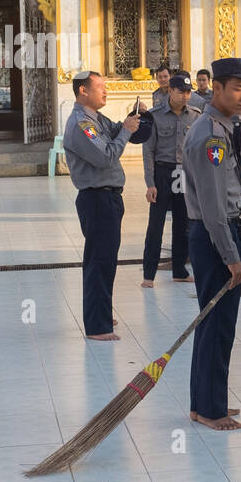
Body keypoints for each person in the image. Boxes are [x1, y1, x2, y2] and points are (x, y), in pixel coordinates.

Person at [183, 58, 241, 431]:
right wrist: (232, 257)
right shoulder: (211, 135)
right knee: (218, 324)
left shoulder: (221, 127)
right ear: (218, 88)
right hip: (216, 236)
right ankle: (211, 409)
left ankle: (206, 401)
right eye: (238, 88)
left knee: (212, 323)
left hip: (217, 231)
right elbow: (212, 208)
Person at [64, 71, 143, 340]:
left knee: (107, 261)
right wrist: (126, 133)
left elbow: (116, 130)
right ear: (83, 91)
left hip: (108, 197)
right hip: (96, 198)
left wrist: (134, 118)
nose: (106, 91)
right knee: (99, 261)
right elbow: (106, 155)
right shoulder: (81, 124)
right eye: (100, 87)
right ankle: (97, 326)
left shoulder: (97, 119)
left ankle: (102, 312)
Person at [141, 71, 200, 287]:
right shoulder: (155, 115)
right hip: (163, 173)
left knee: (183, 223)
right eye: (181, 92)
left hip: (184, 173)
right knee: (155, 225)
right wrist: (150, 183)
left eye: (188, 92)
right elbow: (148, 152)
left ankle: (179, 270)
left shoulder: (195, 115)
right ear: (171, 91)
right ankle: (148, 274)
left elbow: (197, 150)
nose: (185, 96)